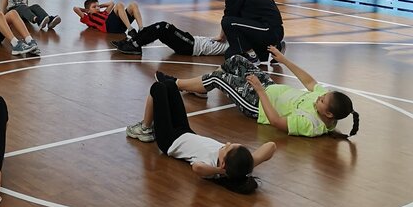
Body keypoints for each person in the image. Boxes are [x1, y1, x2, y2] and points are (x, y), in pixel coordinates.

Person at [126, 75, 275, 194]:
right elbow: (271, 146)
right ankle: (148, 124)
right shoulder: (239, 166)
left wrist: (221, 171)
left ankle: (145, 128)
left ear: (223, 164)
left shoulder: (210, 167)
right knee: (171, 85)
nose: (227, 144)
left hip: (169, 141)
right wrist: (250, 164)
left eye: (227, 148)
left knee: (157, 88)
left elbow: (197, 168)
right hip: (186, 131)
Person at [174, 47, 360, 139]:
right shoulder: (325, 103)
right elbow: (310, 82)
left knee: (218, 78)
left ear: (328, 113)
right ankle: (199, 88)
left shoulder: (310, 124)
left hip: (258, 103)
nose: (320, 96)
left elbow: (276, 121)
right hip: (268, 87)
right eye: (323, 95)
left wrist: (260, 90)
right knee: (236, 60)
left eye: (322, 100)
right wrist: (285, 60)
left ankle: (175, 84)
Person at [215, 0, 285, 64]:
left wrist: (221, 37)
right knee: (237, 22)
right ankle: (275, 47)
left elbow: (228, 18)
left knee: (228, 23)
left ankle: (246, 54)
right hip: (273, 31)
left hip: (269, 31)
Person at [113, 20, 228, 57]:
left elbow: (225, 21)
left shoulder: (235, 46)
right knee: (160, 28)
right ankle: (133, 41)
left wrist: (221, 36)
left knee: (164, 26)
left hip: (191, 46)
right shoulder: (233, 40)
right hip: (192, 40)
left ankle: (136, 45)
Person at [73, 0, 142, 37]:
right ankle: (130, 29)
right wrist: (86, 10)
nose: (97, 8)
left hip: (120, 27)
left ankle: (141, 29)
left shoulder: (104, 13)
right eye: (94, 7)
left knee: (133, 4)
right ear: (88, 10)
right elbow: (75, 8)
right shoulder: (88, 18)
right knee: (119, 5)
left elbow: (111, 3)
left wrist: (100, 6)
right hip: (109, 28)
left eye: (98, 6)